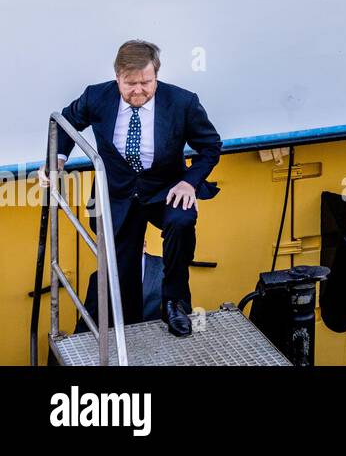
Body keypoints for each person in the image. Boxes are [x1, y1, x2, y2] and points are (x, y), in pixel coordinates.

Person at [41, 41, 222, 336]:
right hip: (117, 194)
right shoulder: (96, 96)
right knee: (122, 273)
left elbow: (211, 146)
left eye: (146, 83)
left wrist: (190, 182)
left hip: (166, 189)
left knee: (182, 220)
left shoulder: (182, 102)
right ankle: (130, 330)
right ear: (117, 77)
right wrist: (56, 160)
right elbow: (64, 123)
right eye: (130, 84)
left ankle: (174, 303)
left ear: (156, 77)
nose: (138, 90)